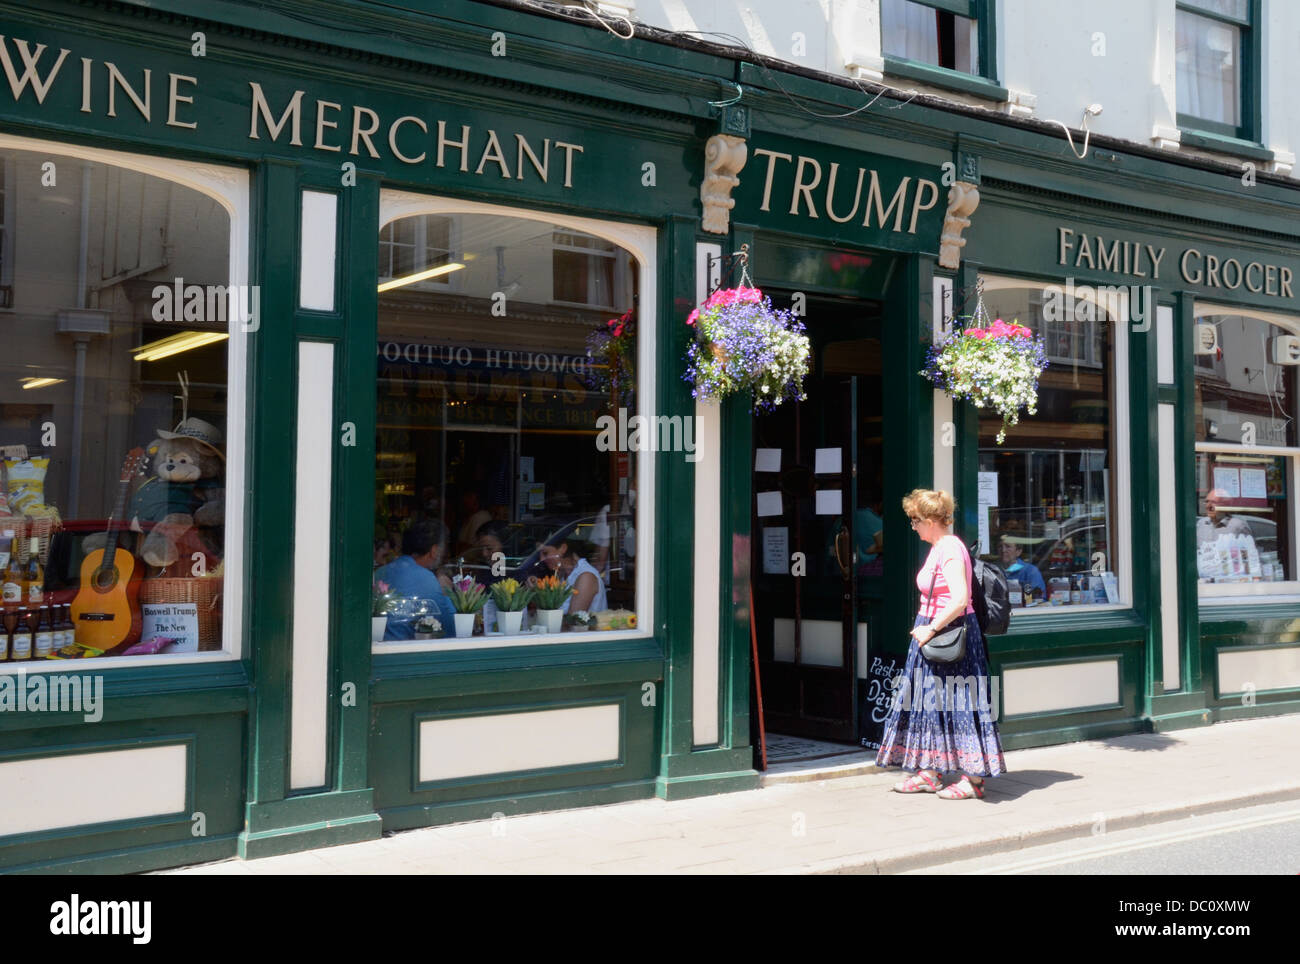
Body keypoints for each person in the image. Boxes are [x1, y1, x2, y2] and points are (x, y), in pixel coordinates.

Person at [875, 488, 1007, 799]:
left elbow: (960, 599)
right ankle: (929, 773)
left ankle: (974, 781)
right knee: (928, 704)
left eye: (915, 520)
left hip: (949, 633)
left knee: (962, 703)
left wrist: (930, 628)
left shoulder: (949, 547)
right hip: (935, 631)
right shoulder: (939, 546)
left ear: (930, 520)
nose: (913, 526)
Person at [374, 519, 457, 640]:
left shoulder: (381, 572)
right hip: (408, 652)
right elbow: (449, 631)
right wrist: (446, 594)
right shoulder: (427, 578)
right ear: (434, 550)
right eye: (443, 549)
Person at [537, 535, 607, 614]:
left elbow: (573, 620)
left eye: (545, 553)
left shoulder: (586, 577)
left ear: (563, 548)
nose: (541, 559)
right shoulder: (562, 574)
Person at [998, 535, 1046, 604]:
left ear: (1018, 552)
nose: (1003, 550)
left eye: (1008, 546)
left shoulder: (1030, 571)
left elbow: (1039, 600)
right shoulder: (991, 570)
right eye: (1000, 546)